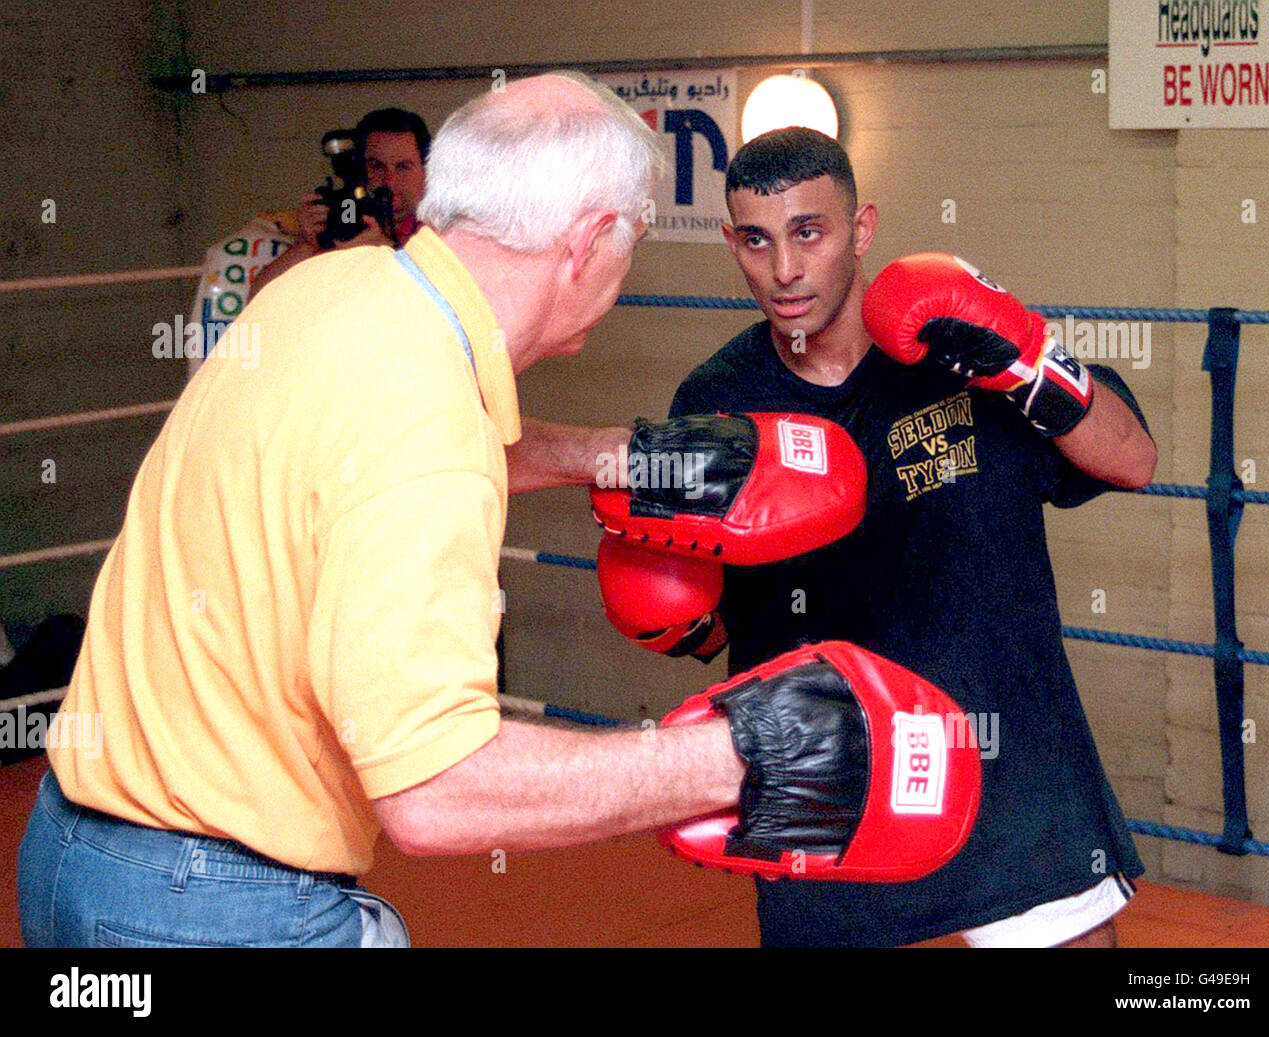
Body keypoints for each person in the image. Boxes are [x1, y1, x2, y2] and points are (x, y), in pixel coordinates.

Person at [17, 75, 872, 948]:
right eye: (636, 235)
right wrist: (733, 754)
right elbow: (434, 785)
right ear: (590, 242)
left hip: (74, 856)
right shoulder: (427, 423)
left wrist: (610, 454)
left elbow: (371, 454)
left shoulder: (334, 290)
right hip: (217, 909)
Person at [665, 127, 1158, 948]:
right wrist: (675, 616)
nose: (784, 269)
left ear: (861, 230)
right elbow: (715, 621)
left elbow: (1134, 460)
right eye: (757, 239)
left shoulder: (958, 354)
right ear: (732, 243)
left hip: (1008, 751)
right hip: (828, 772)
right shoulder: (718, 400)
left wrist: (1028, 357)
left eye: (809, 232)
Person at [249, 107, 432, 298]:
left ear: (425, 172)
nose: (389, 180)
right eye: (376, 166)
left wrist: (386, 252)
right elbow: (256, 301)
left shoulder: (438, 232)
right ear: (359, 168)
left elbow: (445, 308)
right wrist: (305, 244)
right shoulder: (341, 218)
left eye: (403, 167)